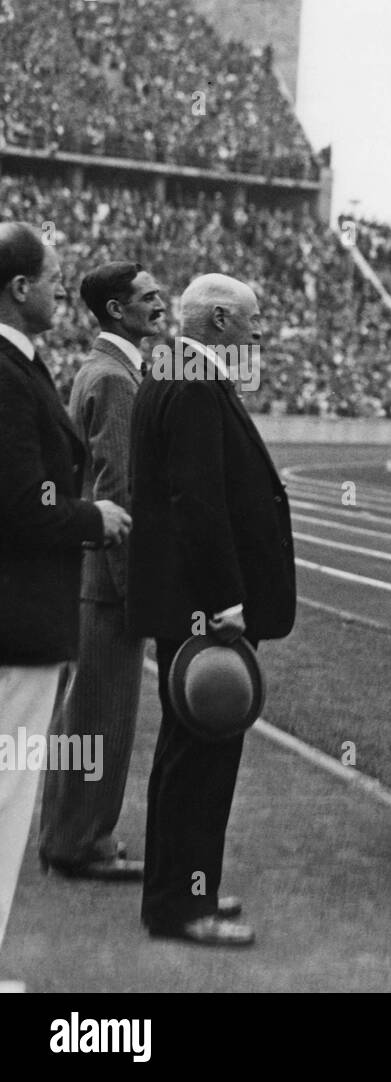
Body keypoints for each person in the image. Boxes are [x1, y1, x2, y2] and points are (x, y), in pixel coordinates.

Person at [128, 273, 296, 945]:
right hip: (204, 606)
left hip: (183, 602)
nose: (260, 330)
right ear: (220, 320)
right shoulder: (194, 384)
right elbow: (198, 503)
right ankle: (181, 906)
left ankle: (182, 892)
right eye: (252, 319)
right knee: (201, 757)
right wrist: (230, 599)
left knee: (184, 752)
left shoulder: (173, 374)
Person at [0, 224, 132, 970]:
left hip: (20, 617)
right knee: (6, 800)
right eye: (51, 279)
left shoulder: (24, 365)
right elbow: (21, 504)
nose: (60, 289)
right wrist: (94, 517)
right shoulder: (7, 370)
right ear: (20, 289)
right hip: (17, 622)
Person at [38, 262, 166, 882]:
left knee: (83, 714)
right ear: (117, 310)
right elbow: (118, 486)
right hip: (108, 580)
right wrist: (130, 582)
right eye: (147, 296)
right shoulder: (116, 379)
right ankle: (83, 840)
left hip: (91, 576)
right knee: (102, 716)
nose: (160, 302)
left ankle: (68, 832)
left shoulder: (104, 369)